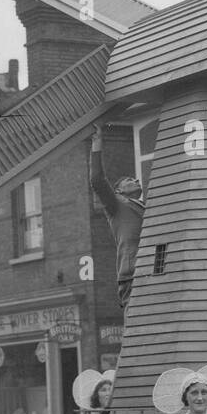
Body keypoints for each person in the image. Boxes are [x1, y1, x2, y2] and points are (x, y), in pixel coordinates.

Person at [90, 125, 144, 308]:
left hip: (150, 270)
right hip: (133, 273)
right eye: (130, 180)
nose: (136, 180)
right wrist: (97, 143)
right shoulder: (117, 204)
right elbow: (97, 180)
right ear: (118, 191)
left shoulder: (145, 207)